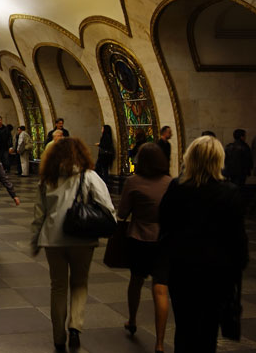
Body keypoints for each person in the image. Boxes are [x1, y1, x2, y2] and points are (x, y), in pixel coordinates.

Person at [157, 136, 248, 353]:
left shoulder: (177, 188)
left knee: (185, 327)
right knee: (208, 331)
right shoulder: (229, 192)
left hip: (183, 269)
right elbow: (237, 239)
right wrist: (237, 269)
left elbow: (165, 225)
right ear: (219, 160)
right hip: (216, 273)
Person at [31, 137, 116, 351]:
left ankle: (58, 337)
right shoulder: (89, 176)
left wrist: (35, 239)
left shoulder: (46, 179)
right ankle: (75, 327)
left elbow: (39, 215)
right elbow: (107, 207)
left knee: (58, 287)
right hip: (82, 238)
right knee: (79, 283)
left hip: (53, 239)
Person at [117, 143, 172, 353]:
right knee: (160, 288)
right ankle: (159, 342)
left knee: (136, 280)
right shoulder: (170, 182)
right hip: (164, 241)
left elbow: (122, 212)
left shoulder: (133, 182)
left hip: (139, 238)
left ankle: (131, 319)